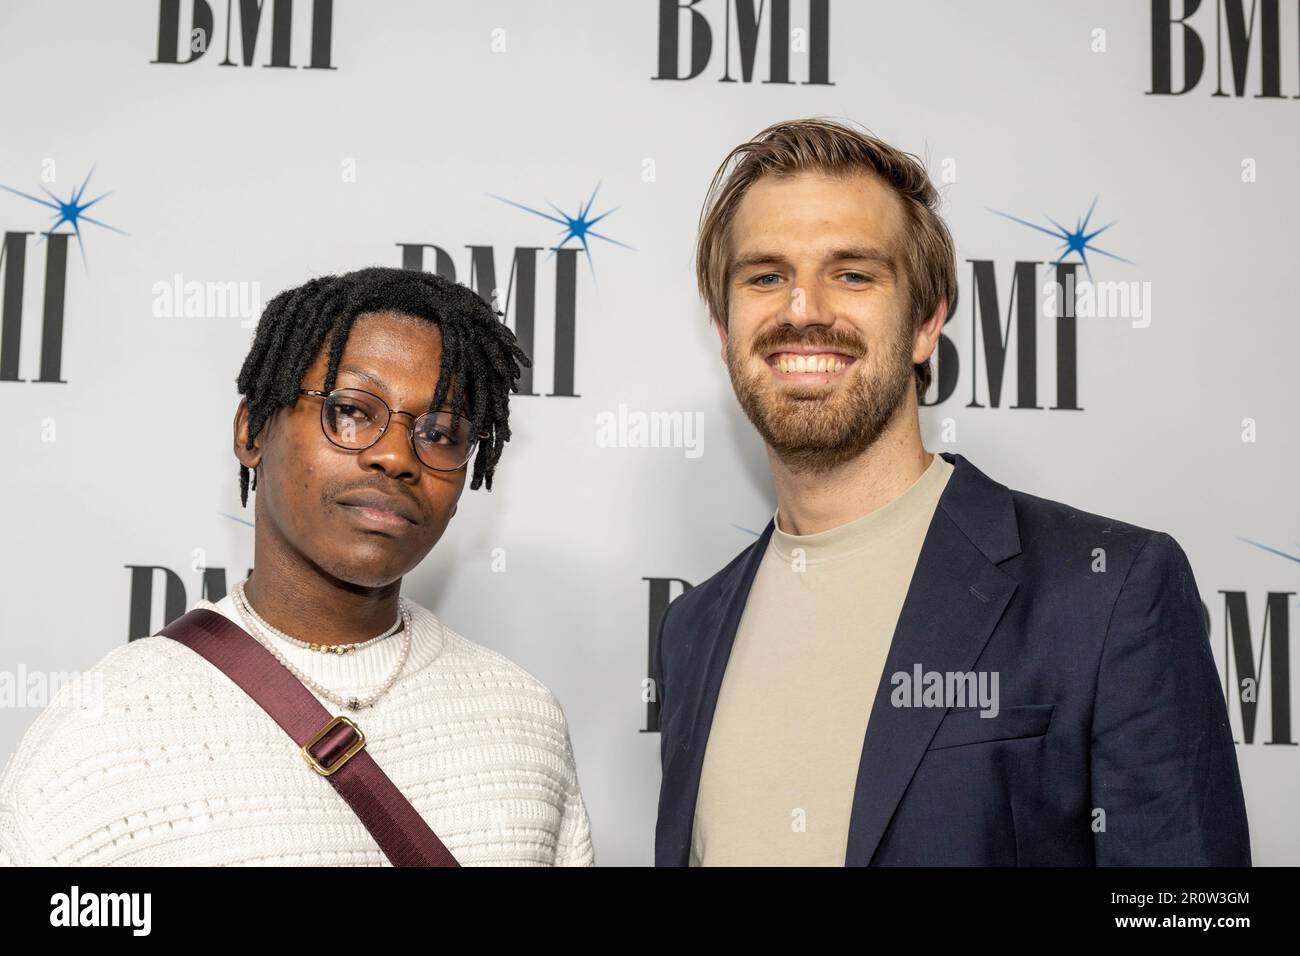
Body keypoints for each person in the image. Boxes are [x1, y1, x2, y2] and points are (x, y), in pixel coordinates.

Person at [654, 118, 1250, 866]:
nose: (802, 309)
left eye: (853, 273)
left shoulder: (1106, 592)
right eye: (766, 276)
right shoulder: (690, 632)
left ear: (925, 324)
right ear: (724, 324)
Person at [0, 266, 593, 866]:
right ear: (253, 430)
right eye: (352, 411)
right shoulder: (101, 735)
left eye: (440, 432)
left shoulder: (524, 718)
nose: (395, 456)